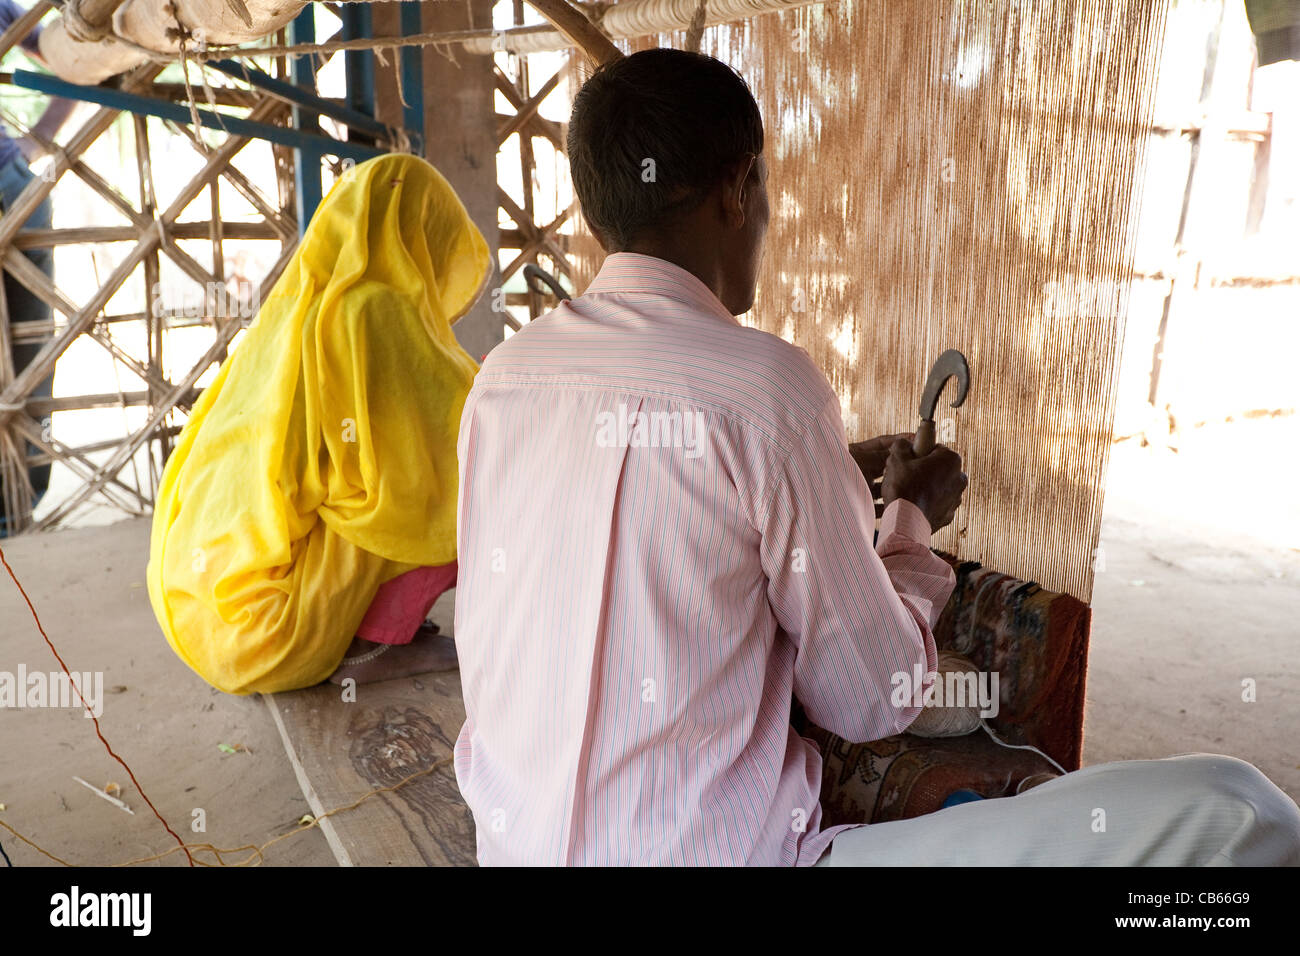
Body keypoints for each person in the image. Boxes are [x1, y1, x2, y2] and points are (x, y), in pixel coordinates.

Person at [451, 48, 1300, 866]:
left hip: (515, 848)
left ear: (601, 215)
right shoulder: (766, 389)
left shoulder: (504, 382)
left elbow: (650, 504)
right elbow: (872, 697)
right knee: (1236, 811)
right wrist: (910, 524)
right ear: (739, 189)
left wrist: (825, 466)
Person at [147, 154, 490, 694]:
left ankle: (376, 620)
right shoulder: (374, 308)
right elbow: (456, 426)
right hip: (271, 631)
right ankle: (373, 644)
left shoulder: (300, 306)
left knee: (386, 482)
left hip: (208, 615)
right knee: (467, 482)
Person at [0, 0, 74, 535]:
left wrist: (40, 138)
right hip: (11, 184)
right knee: (31, 348)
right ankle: (16, 506)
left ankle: (16, 507)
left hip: (9, 188)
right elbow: (70, 63)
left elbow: (72, 63)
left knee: (29, 347)